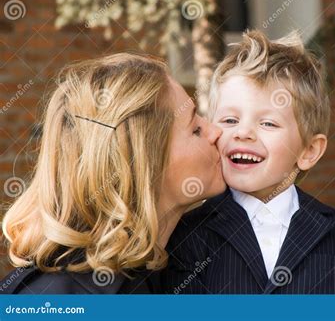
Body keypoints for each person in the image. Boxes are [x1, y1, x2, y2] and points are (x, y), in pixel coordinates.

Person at [159, 30, 335, 294]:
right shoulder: (182, 239)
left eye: (268, 123)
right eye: (229, 120)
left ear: (309, 151)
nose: (243, 132)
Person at [0, 53, 225, 294]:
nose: (216, 131)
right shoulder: (57, 299)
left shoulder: (167, 269)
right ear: (145, 162)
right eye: (196, 129)